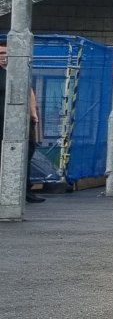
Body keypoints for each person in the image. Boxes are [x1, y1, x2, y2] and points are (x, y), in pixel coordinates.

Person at [0, 43, 45, 203]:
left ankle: (24, 191)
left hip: (20, 123)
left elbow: (29, 92)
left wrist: (33, 113)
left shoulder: (18, 72)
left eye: (6, 53)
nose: (3, 56)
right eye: (0, 53)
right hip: (3, 123)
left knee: (25, 155)